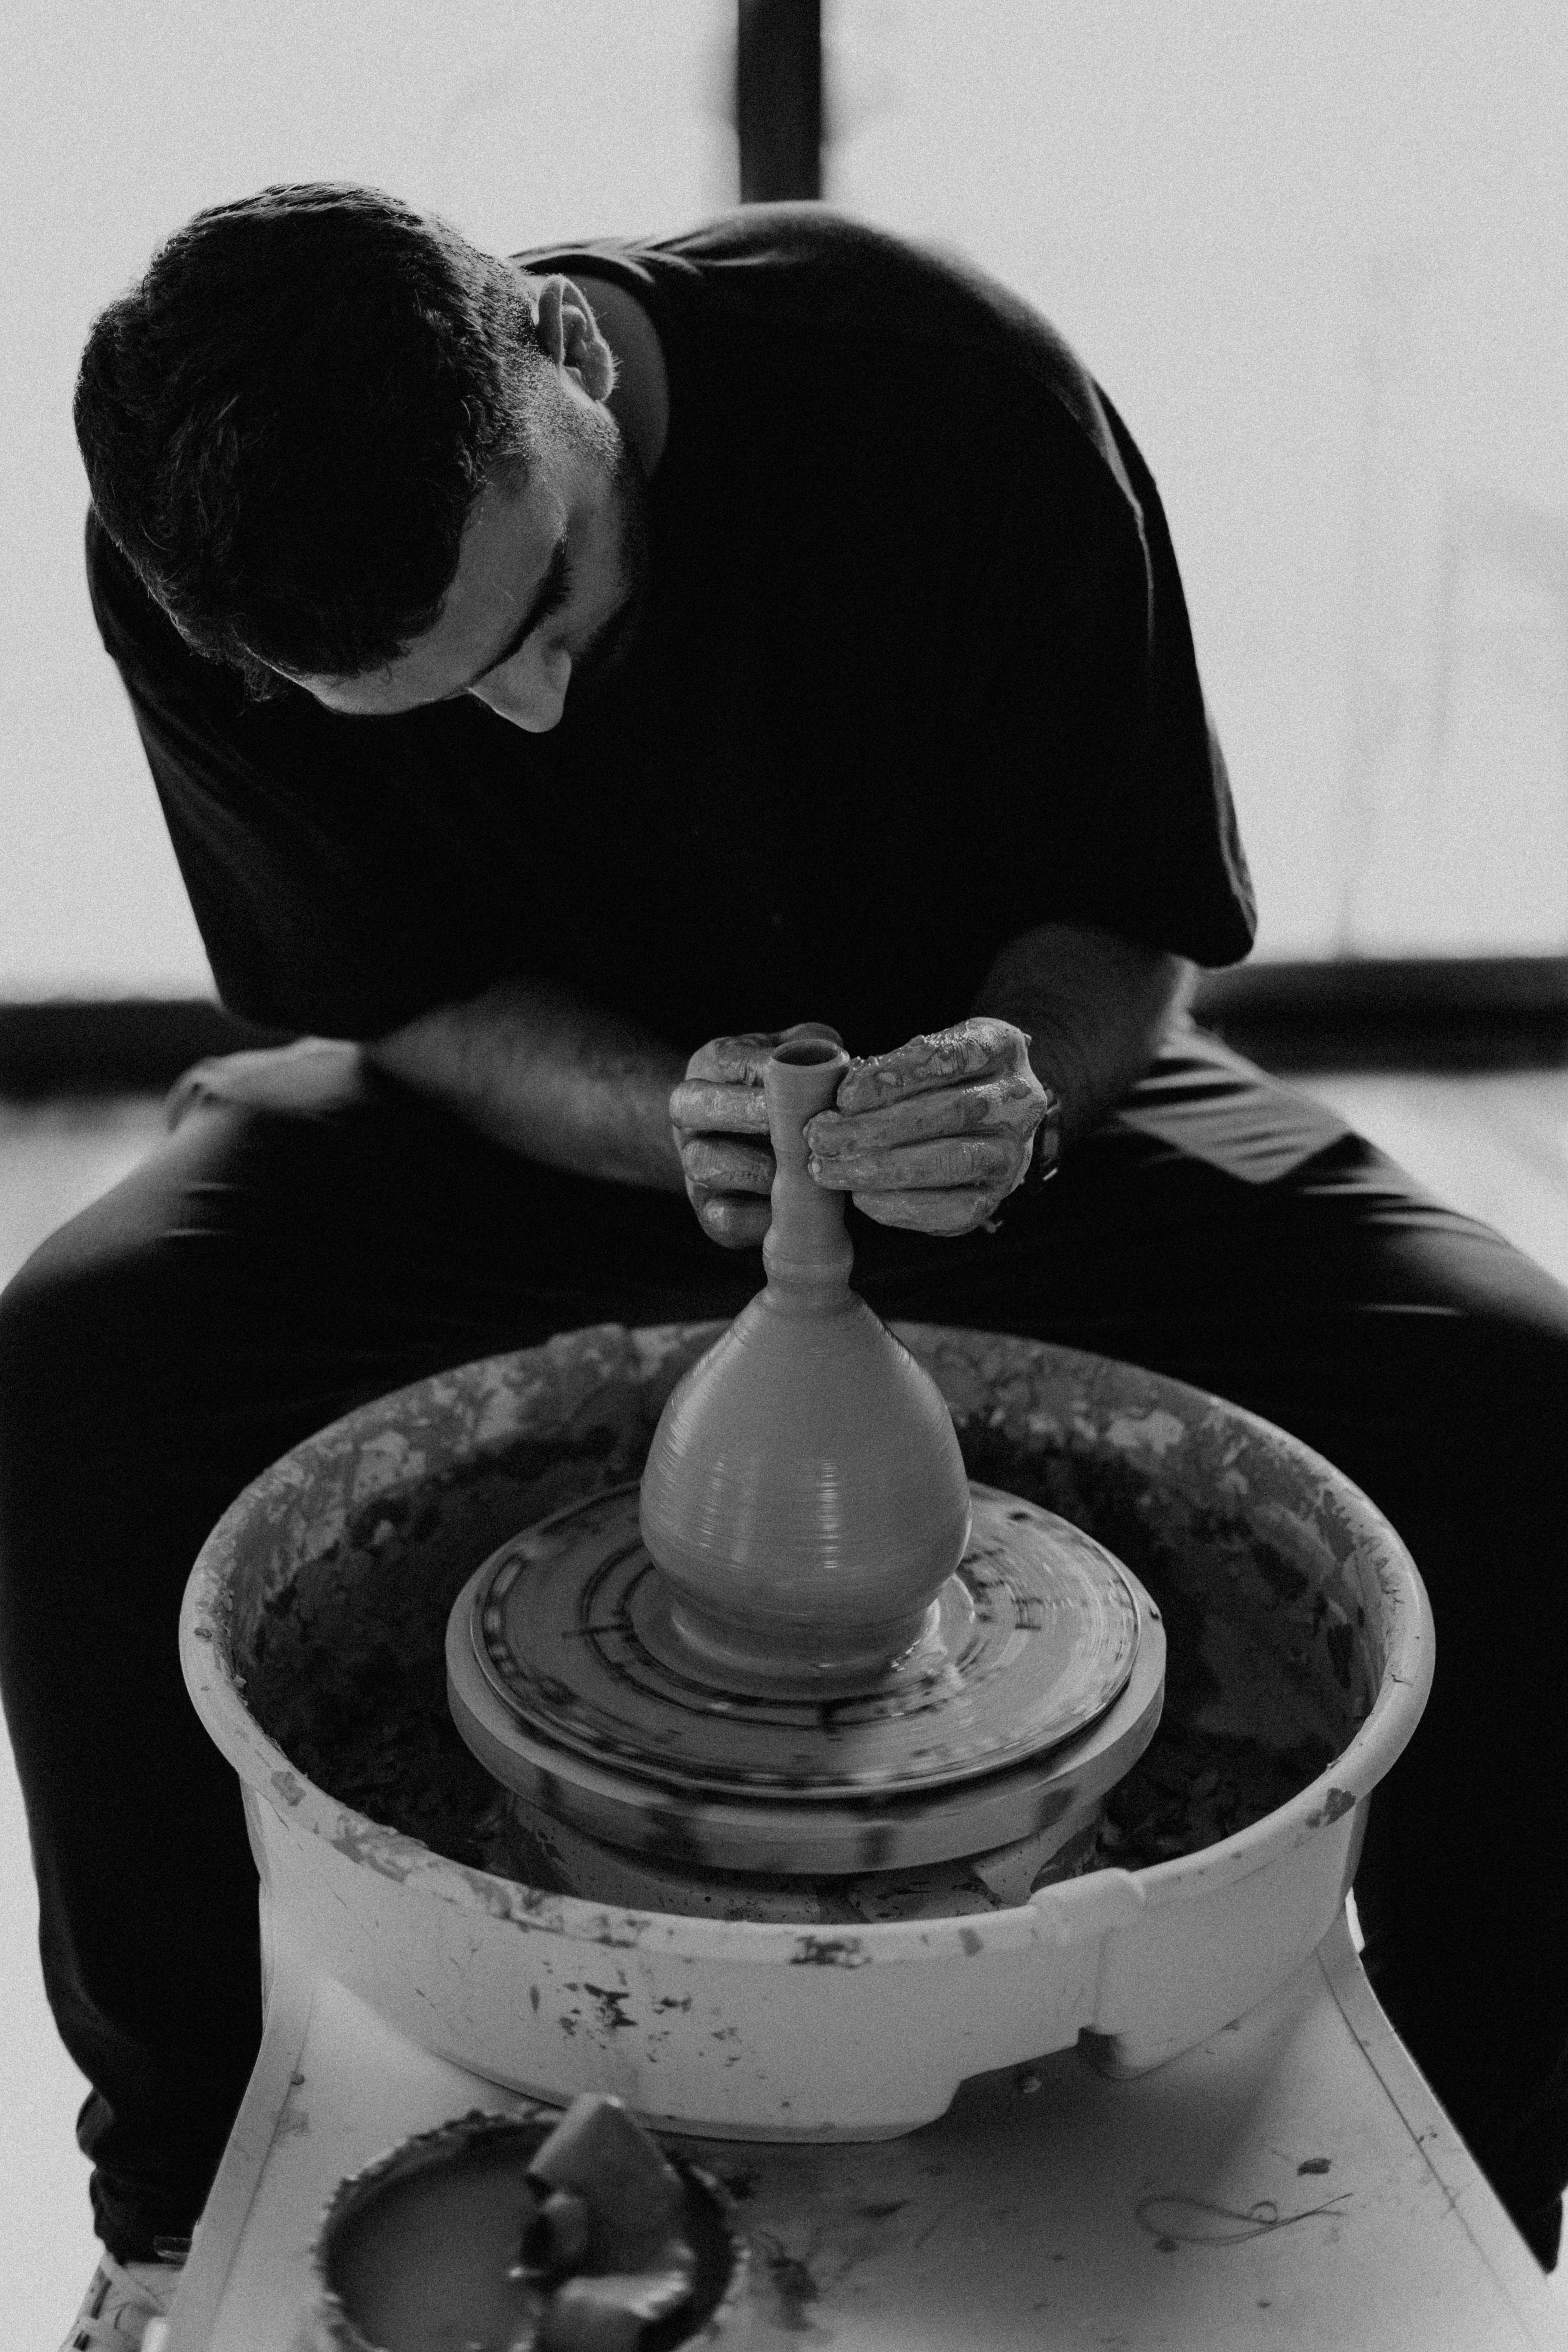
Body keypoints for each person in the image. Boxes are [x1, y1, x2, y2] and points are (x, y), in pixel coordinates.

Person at [4, 183, 1565, 2349]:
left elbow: (1130, 918)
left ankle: (1472, 2205)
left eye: (548, 604)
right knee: (80, 1362)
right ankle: (175, 2204)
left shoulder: (941, 393)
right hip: (547, 1122)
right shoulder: (210, 557)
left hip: (984, 1112)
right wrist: (658, 1115)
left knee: (1508, 1384)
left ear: (564, 351)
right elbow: (394, 991)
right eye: (441, 698)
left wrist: (1016, 1083)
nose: (529, 709)